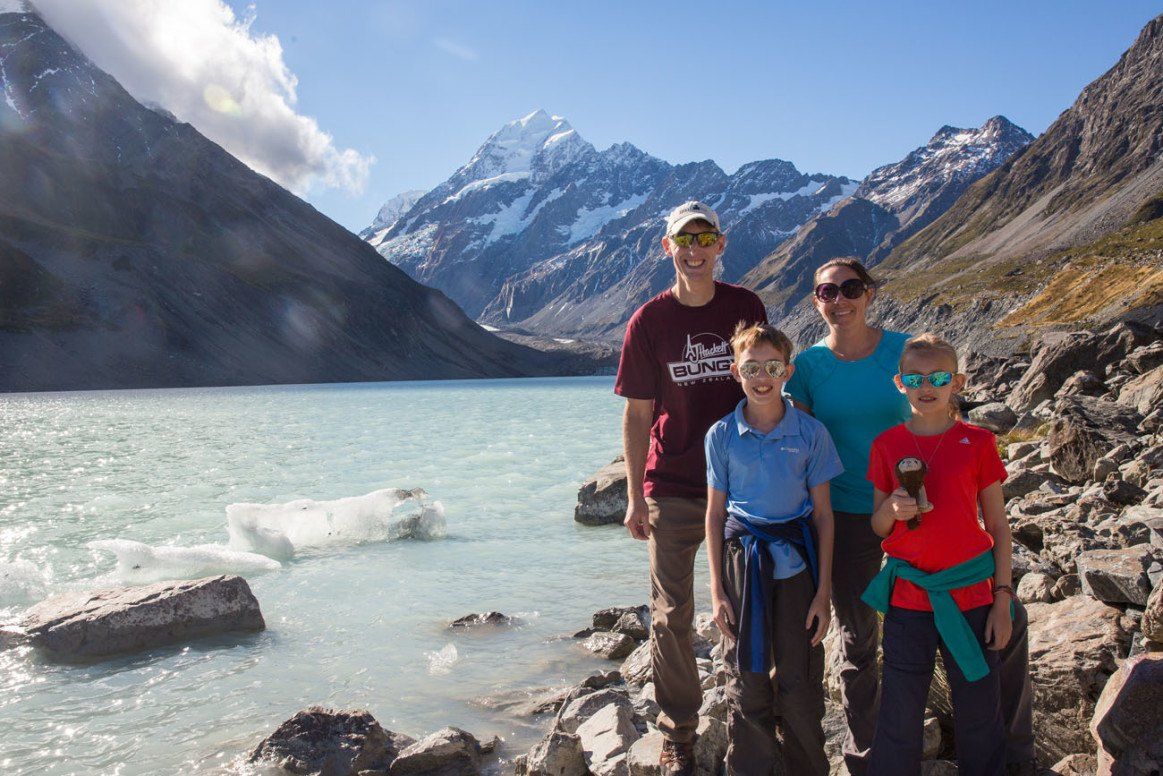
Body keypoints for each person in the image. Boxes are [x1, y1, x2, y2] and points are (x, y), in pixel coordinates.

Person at [785, 258, 1036, 776]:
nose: (840, 299)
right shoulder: (809, 366)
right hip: (852, 515)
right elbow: (797, 436)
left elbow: (946, 421)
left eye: (851, 288)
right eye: (827, 291)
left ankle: (1012, 757)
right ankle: (871, 758)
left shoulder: (906, 351)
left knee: (1006, 629)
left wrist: (1003, 591)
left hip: (929, 517)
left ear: (870, 293)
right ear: (816, 301)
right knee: (861, 641)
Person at [615, 200, 767, 775]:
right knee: (670, 612)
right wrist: (633, 495)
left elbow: (762, 378)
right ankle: (678, 730)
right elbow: (636, 414)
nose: (695, 248)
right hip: (673, 484)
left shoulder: (744, 306)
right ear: (667, 248)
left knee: (748, 603)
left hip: (741, 481)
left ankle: (753, 713)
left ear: (721, 246)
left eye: (706, 238)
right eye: (684, 239)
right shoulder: (648, 321)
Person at [863, 333, 1018, 776]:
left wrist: (1002, 598)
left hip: (971, 596)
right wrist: (892, 509)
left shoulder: (979, 443)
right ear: (899, 383)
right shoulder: (887, 445)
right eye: (914, 377)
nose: (925, 386)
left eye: (937, 377)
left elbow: (999, 527)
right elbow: (877, 526)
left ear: (958, 382)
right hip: (909, 597)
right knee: (899, 708)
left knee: (979, 709)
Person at [704, 322, 838, 776]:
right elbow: (716, 516)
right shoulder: (721, 435)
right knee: (748, 679)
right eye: (751, 367)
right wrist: (718, 590)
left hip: (798, 569)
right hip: (744, 567)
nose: (762, 377)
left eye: (772, 367)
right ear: (734, 371)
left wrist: (823, 595)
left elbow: (823, 516)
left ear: (788, 371)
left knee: (800, 683)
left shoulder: (811, 433)